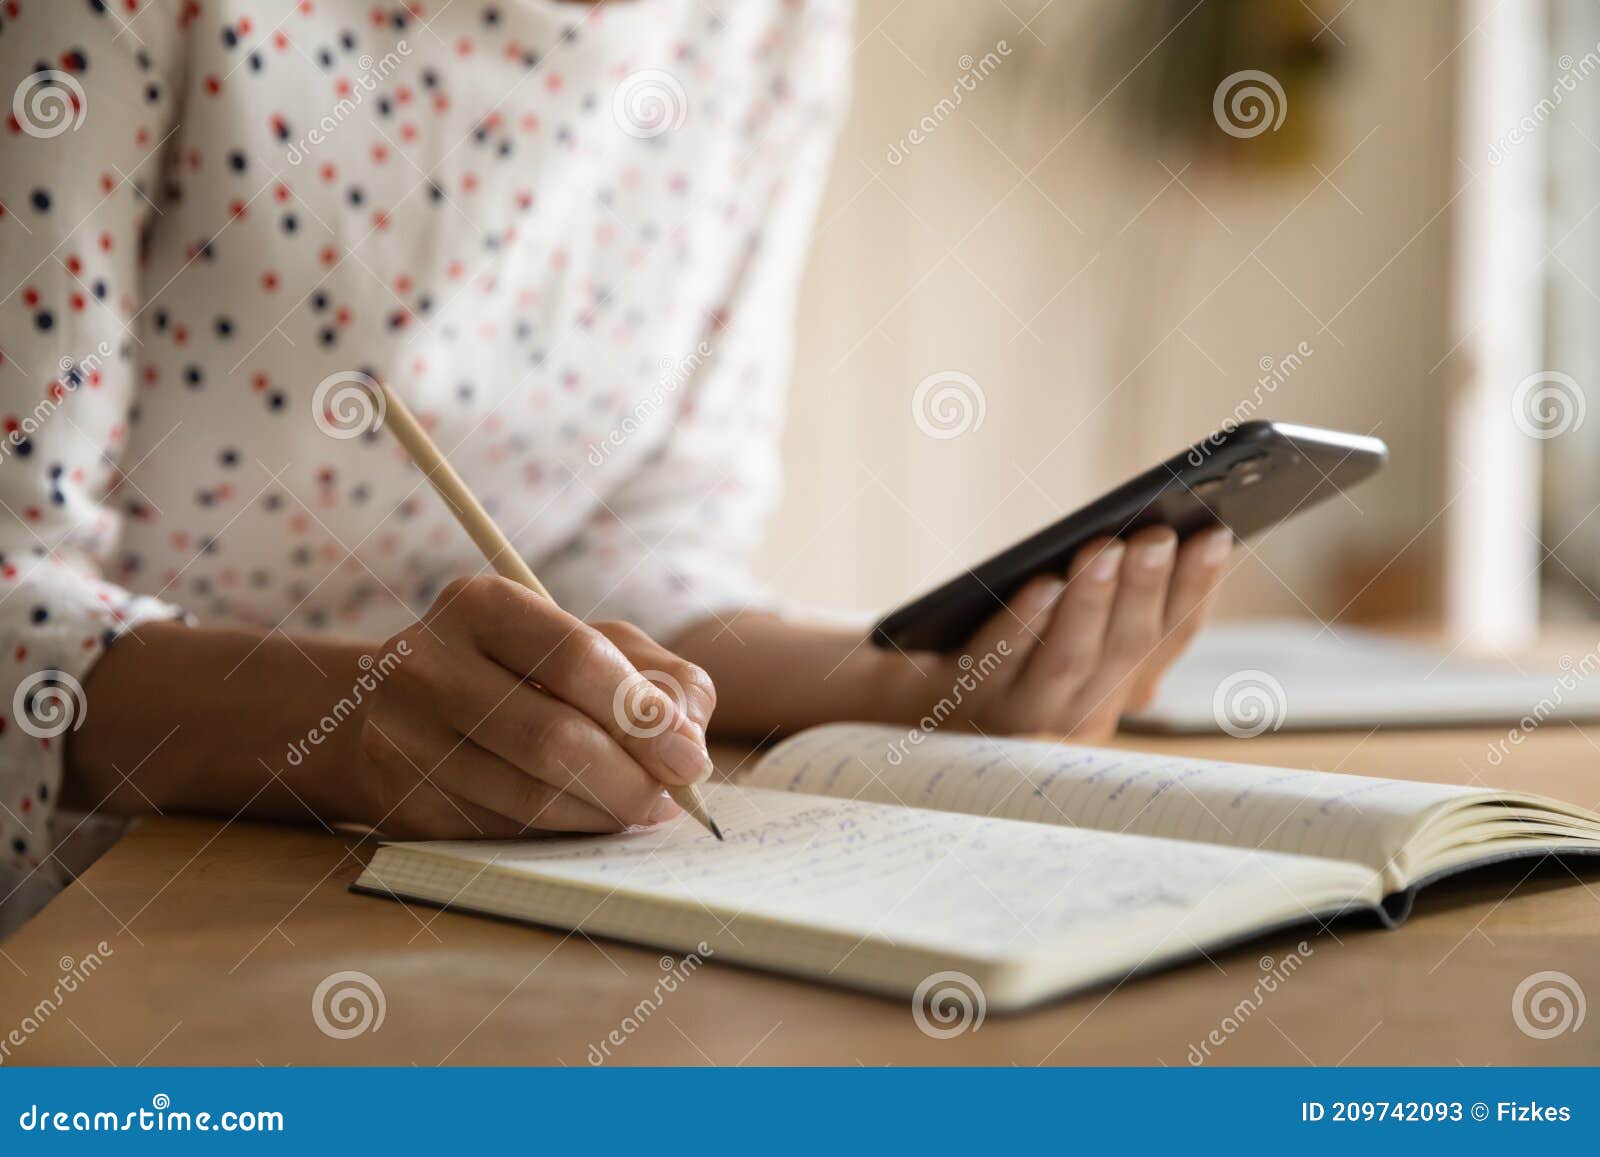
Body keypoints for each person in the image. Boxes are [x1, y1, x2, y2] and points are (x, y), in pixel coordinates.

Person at [0, 0, 1231, 934]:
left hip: (459, 900)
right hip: (99, 916)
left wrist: (919, 692)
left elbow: (643, 543)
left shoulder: (767, 24)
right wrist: (357, 727)